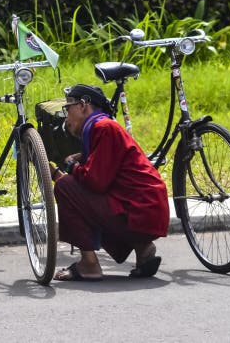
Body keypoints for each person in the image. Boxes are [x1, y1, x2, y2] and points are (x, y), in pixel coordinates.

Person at [50, 84, 169, 281]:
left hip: (142, 211)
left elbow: (95, 183)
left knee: (65, 187)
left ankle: (89, 265)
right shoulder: (101, 128)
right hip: (145, 210)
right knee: (72, 188)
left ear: (83, 105)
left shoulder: (104, 128)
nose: (66, 117)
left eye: (67, 108)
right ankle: (142, 248)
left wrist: (70, 169)